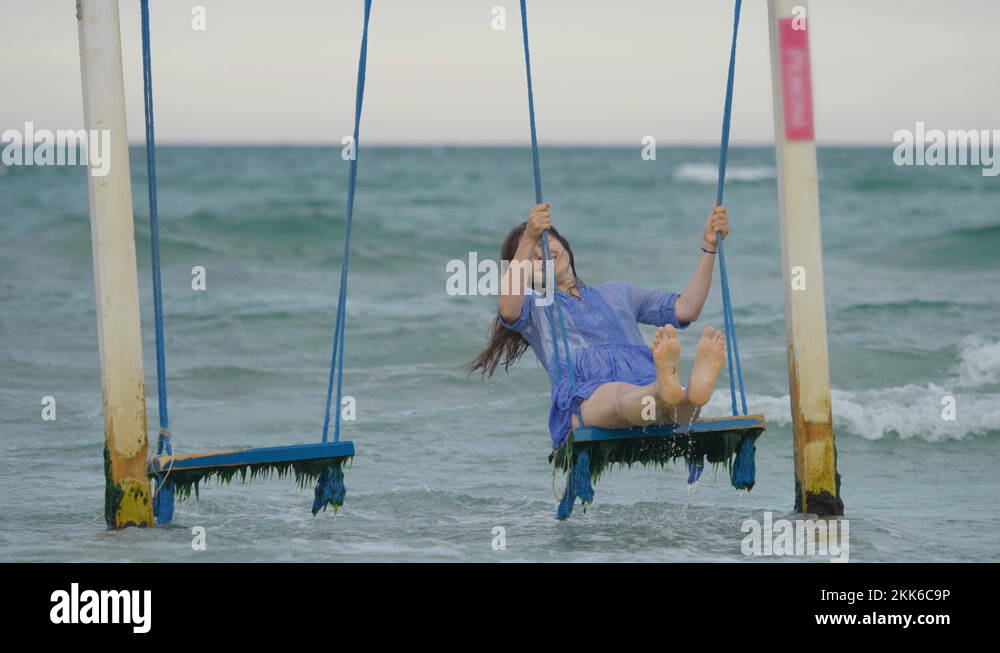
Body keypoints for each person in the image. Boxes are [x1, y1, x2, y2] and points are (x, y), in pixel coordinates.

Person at [471, 202, 731, 447]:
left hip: (642, 378)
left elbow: (686, 309)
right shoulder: (535, 307)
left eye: (544, 240)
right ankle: (666, 390)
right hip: (587, 396)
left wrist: (709, 246)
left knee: (676, 413)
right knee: (621, 399)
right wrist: (528, 237)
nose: (541, 253)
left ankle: (686, 394)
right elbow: (507, 308)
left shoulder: (618, 293)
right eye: (531, 254)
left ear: (563, 243)